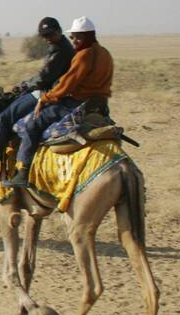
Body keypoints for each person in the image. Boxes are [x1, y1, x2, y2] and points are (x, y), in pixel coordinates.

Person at [7, 16, 113, 187]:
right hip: (101, 106)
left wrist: (44, 99)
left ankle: (23, 172)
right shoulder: (105, 54)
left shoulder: (83, 56)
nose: (73, 40)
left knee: (33, 123)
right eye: (72, 37)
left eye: (77, 37)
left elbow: (66, 84)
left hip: (77, 106)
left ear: (88, 36)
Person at [0, 17, 74, 185]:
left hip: (47, 93)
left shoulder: (60, 50)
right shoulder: (60, 46)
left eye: (49, 34)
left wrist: (24, 86)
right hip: (52, 90)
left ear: (59, 31)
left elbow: (43, 78)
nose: (46, 38)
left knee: (3, 117)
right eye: (43, 36)